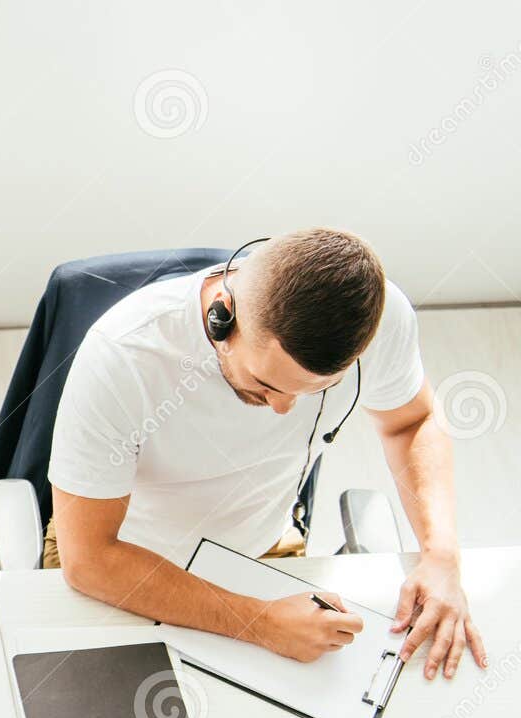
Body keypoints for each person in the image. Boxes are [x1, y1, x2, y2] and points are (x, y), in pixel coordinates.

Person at [46, 228, 485, 680]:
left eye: (315, 391)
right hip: (124, 566)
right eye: (264, 385)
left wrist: (441, 555)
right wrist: (259, 623)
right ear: (222, 317)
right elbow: (90, 560)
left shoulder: (383, 320)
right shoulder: (125, 354)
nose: (282, 408)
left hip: (262, 552)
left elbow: (411, 422)